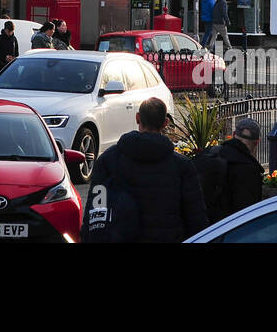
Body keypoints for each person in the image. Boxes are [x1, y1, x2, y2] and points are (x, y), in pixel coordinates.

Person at [81, 96, 210, 243]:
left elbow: (96, 209)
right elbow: (196, 218)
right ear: (165, 123)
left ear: (137, 118)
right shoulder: (182, 166)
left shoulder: (108, 159)